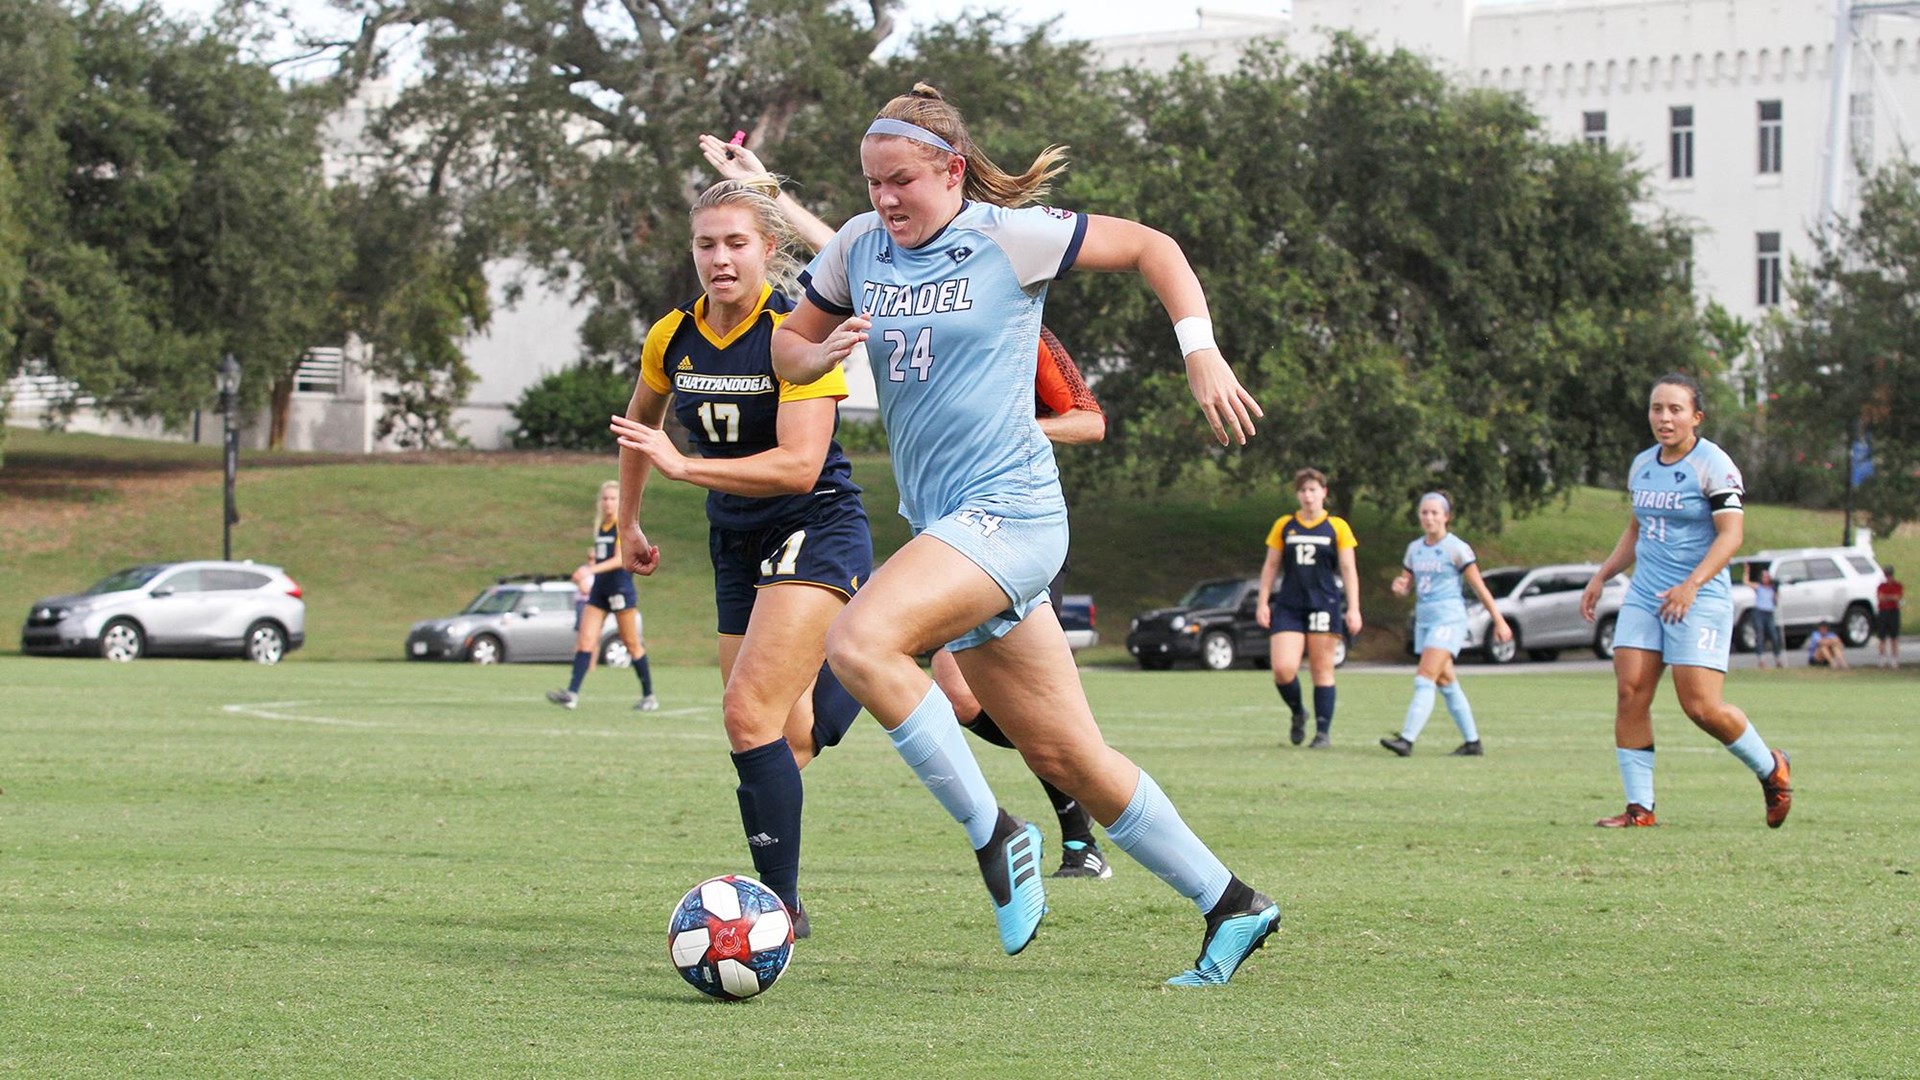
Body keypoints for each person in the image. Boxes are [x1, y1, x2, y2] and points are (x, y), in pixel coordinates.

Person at [768, 84, 1276, 986]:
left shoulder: (1013, 236)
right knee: (1066, 756)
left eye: (902, 181)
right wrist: (823, 351)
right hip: (946, 526)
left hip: (1012, 512)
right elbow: (788, 351)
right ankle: (1232, 903)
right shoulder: (856, 245)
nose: (886, 200)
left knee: (860, 642)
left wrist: (1200, 349)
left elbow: (1155, 248)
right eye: (872, 182)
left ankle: (995, 834)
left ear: (952, 170)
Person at [700, 134, 1116, 881]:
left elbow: (1090, 419)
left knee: (1010, 709)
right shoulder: (910, 284)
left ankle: (1069, 821)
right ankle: (1063, 816)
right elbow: (852, 258)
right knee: (952, 693)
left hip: (1011, 522)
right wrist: (767, 188)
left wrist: (1018, 425)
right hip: (941, 522)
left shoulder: (1021, 320)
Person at [606, 169, 872, 938]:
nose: (719, 259)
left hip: (813, 521)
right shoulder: (673, 335)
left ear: (770, 248)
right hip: (736, 538)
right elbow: (639, 428)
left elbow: (798, 466)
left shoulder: (797, 332)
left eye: (735, 243)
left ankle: (779, 909)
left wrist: (684, 467)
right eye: (704, 245)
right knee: (775, 735)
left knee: (742, 711)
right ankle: (874, 653)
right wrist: (629, 521)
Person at [1579, 372, 1792, 829]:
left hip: (1699, 597)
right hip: (1645, 596)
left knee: (1701, 707)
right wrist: (1602, 575)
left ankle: (1771, 768)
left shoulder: (1714, 465)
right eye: (1657, 408)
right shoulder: (1642, 465)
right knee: (1630, 691)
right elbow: (1637, 530)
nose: (1664, 417)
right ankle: (1640, 809)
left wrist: (1691, 585)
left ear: (1696, 417)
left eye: (1675, 409)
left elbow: (1731, 535)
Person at [1380, 491, 1510, 757]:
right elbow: (1406, 584)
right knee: (1446, 682)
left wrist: (1499, 621)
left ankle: (1407, 740)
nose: (1429, 518)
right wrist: (1400, 587)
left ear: (1446, 517)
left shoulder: (1456, 548)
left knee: (1424, 677)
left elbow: (1479, 587)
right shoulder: (1415, 549)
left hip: (1449, 618)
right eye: (1424, 512)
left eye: (1434, 513)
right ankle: (1472, 742)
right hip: (1425, 620)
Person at [1256, 468, 1363, 748]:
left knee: (1322, 668)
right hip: (1290, 604)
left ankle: (1323, 733)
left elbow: (1349, 568)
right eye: (1303, 490)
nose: (1308, 495)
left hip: (1323, 604)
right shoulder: (1285, 525)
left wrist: (1353, 608)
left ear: (1324, 493)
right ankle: (1298, 712)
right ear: (1298, 494)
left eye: (1313, 490)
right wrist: (1263, 600)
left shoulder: (1337, 527)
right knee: (1283, 669)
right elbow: (1271, 565)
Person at [546, 481, 657, 710]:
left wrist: (590, 570)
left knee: (631, 643)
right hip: (600, 590)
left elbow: (619, 559)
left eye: (613, 499)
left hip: (619, 589)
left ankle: (649, 696)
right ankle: (572, 694)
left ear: (621, 502)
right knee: (585, 640)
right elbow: (603, 556)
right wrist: (592, 562)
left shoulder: (622, 526)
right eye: (605, 499)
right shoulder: (602, 526)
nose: (608, 503)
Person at [1747, 566, 1784, 669]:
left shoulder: (1772, 588)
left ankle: (1777, 658)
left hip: (1769, 613)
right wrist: (1747, 571)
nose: (1766, 579)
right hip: (1760, 612)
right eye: (1764, 577)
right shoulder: (1759, 587)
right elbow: (1746, 582)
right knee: (1760, 635)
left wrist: (1776, 592)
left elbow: (1775, 602)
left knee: (1774, 636)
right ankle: (1761, 660)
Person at [1875, 565, 1903, 668]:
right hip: (1883, 612)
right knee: (1882, 637)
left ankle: (1894, 658)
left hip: (1893, 612)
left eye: (1889, 574)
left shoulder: (1897, 585)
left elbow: (1897, 598)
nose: (1888, 577)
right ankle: (1882, 658)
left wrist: (1887, 597)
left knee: (1894, 637)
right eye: (1887, 575)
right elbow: (1880, 598)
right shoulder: (1881, 586)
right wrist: (1891, 597)